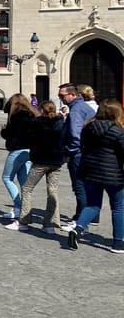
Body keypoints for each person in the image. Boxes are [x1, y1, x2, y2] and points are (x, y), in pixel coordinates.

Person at [67, 100, 124, 253]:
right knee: (118, 207)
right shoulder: (117, 131)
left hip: (90, 171)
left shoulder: (88, 127)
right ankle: (118, 242)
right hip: (114, 174)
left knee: (93, 205)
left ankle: (77, 230)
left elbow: (83, 147)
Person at [5, 101, 65, 234]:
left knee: (27, 188)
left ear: (42, 110)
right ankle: (50, 224)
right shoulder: (61, 122)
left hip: (41, 160)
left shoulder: (38, 123)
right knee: (52, 191)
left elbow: (31, 139)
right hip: (56, 161)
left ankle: (24, 221)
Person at [58, 83, 98, 231]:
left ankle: (81, 221)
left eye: (62, 95)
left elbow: (75, 135)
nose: (60, 98)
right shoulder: (86, 107)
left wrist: (69, 152)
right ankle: (84, 217)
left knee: (79, 186)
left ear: (73, 95)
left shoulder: (76, 110)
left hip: (78, 154)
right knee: (86, 186)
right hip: (89, 152)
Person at [0, 93, 38, 219]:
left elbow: (12, 135)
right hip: (29, 150)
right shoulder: (32, 114)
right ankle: (26, 208)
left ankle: (18, 206)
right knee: (23, 181)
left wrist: (4, 131)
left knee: (7, 177)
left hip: (17, 149)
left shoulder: (16, 116)